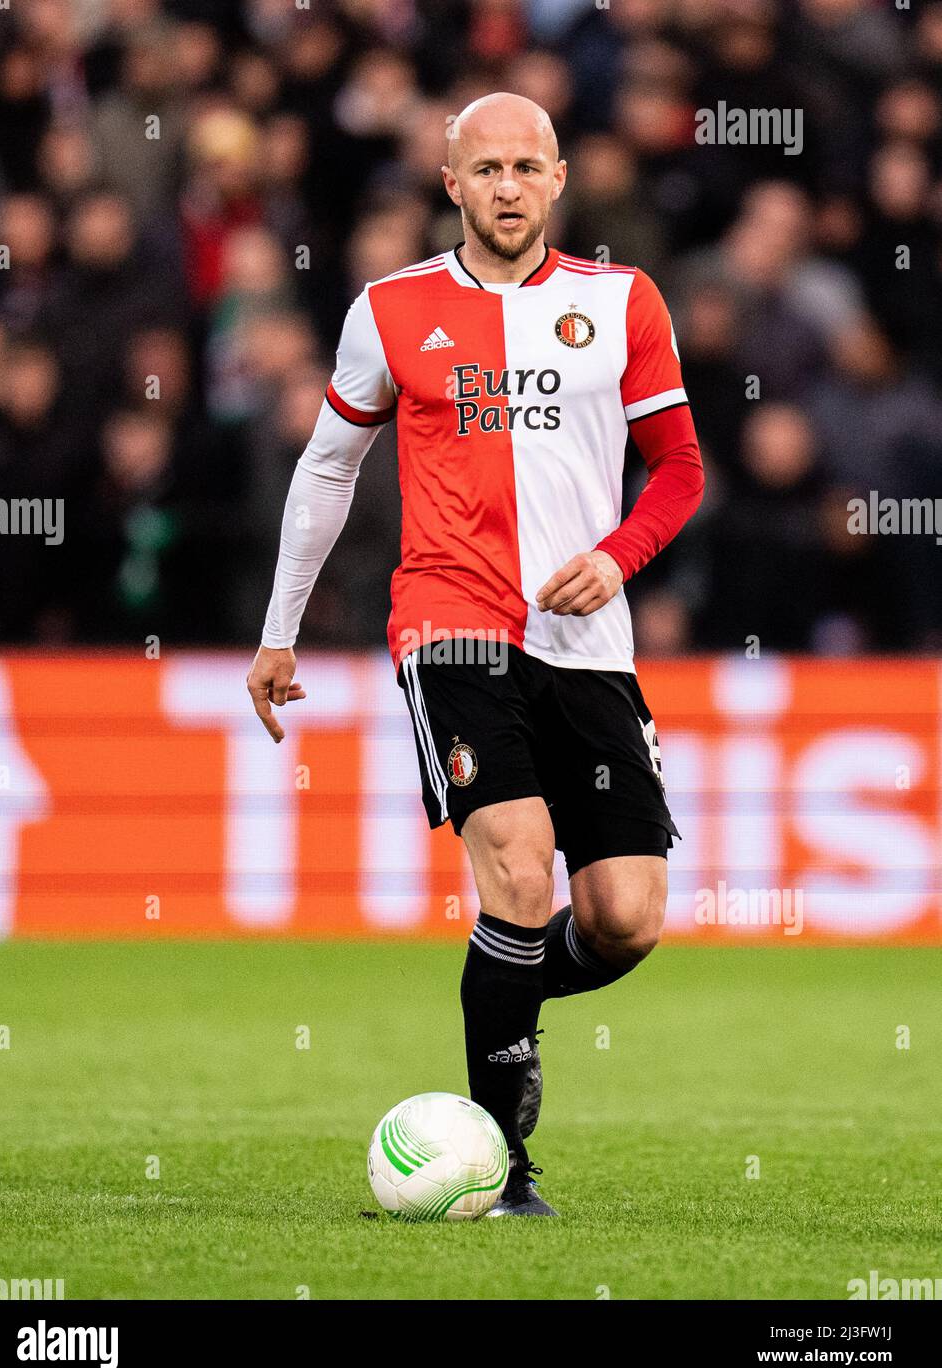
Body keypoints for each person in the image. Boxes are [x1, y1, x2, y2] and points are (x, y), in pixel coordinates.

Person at [246, 93, 704, 1216]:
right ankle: (503, 1164)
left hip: (587, 642)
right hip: (450, 623)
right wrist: (279, 629)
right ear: (450, 184)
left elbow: (682, 467)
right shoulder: (390, 310)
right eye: (484, 167)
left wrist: (619, 553)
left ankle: (501, 1000)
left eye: (526, 166)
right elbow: (326, 470)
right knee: (517, 864)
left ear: (559, 180)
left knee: (625, 918)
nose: (506, 185)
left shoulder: (622, 301)